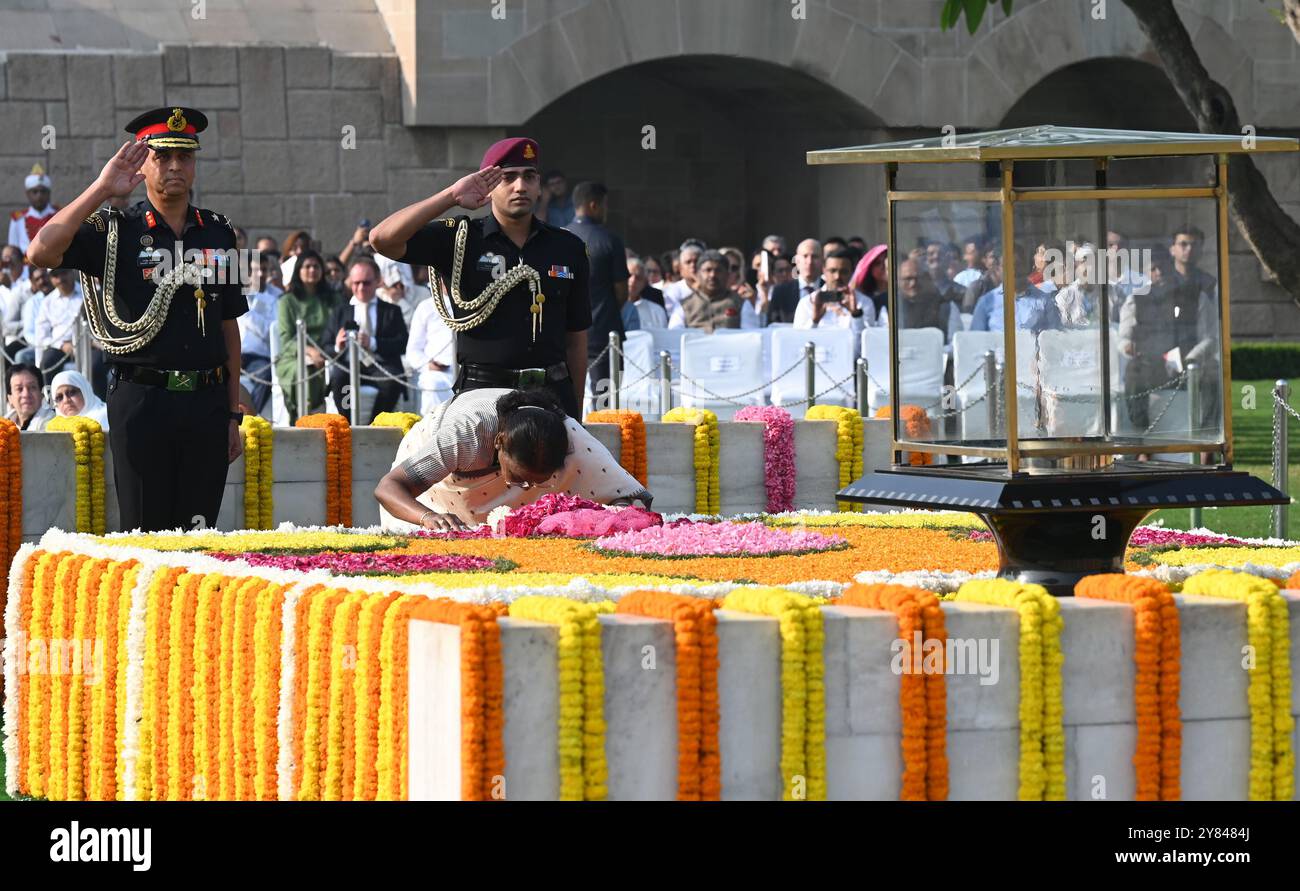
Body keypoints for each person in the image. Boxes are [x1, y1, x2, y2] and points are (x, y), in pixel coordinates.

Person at [26, 107, 247, 532]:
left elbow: (228, 325)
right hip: (142, 399)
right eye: (162, 157)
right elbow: (41, 251)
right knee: (145, 530)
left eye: (184, 157)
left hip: (205, 402)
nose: (174, 167)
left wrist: (231, 415)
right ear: (143, 163)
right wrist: (102, 188)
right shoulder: (115, 228)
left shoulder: (217, 232)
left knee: (200, 534)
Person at [369, 136, 592, 418]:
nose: (520, 186)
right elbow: (381, 239)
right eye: (508, 177)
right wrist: (450, 197)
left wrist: (575, 415)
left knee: (599, 463)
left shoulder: (568, 248)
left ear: (539, 188)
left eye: (529, 177)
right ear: (489, 187)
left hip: (550, 397)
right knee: (431, 463)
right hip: (480, 397)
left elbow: (576, 341)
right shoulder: (460, 238)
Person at [375, 387, 650, 531]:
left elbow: (628, 496)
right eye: (518, 478)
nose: (523, 490)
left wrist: (617, 517)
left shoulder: (572, 438)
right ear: (498, 444)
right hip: (440, 488)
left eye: (539, 482)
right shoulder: (466, 433)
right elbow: (388, 488)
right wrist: (427, 516)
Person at [325, 256, 409, 423]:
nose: (361, 288)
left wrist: (373, 343)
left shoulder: (392, 311)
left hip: (379, 364)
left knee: (392, 381)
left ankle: (374, 426)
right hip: (349, 364)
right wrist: (337, 346)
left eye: (366, 283)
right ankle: (348, 426)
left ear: (378, 281)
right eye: (356, 283)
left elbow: (402, 343)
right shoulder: (340, 311)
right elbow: (324, 345)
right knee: (339, 378)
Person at [564, 181, 627, 391]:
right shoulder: (610, 240)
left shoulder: (559, 237)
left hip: (565, 331)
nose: (605, 211)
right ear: (594, 205)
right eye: (605, 205)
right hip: (603, 331)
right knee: (607, 401)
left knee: (566, 397)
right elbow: (621, 291)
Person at [274, 249, 331, 422]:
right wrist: (310, 351)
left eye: (316, 266)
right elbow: (287, 339)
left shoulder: (331, 298)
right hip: (294, 355)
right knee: (303, 370)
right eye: (307, 266)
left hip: (328, 353)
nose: (312, 270)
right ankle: (302, 419)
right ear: (298, 271)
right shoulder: (287, 301)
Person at [968, 245, 1060, 336]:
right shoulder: (987, 302)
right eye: (1007, 266)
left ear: (1026, 266)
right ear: (997, 269)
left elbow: (1055, 337)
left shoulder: (1044, 300)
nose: (1014, 270)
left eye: (1018, 264)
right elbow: (975, 341)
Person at [668, 250, 758, 332]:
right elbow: (674, 336)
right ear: (698, 274)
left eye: (718, 270)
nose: (712, 275)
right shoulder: (684, 305)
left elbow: (751, 336)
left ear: (727, 274)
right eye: (708, 270)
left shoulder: (741, 304)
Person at [793, 248, 876, 332]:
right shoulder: (807, 303)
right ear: (824, 270)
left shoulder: (864, 302)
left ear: (852, 272)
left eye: (844, 272)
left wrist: (856, 314)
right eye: (832, 271)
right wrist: (814, 320)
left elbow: (866, 341)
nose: (837, 276)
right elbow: (798, 340)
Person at [238, 252, 279, 415]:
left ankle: (250, 415)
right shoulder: (235, 292)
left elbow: (270, 331)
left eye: (264, 270)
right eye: (256, 270)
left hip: (259, 356)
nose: (261, 274)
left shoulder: (276, 296)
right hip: (234, 352)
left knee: (265, 374)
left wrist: (246, 313)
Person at [404, 289, 456, 415]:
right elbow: (413, 352)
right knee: (432, 384)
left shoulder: (475, 305)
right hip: (437, 374)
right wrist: (429, 365)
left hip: (466, 372)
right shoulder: (426, 307)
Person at [887, 258, 963, 345]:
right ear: (898, 281)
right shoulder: (891, 307)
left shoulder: (946, 308)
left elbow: (956, 345)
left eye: (917, 278)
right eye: (908, 279)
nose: (913, 283)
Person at [34, 268, 84, 376]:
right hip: (59, 347)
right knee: (47, 362)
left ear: (72, 272)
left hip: (87, 344)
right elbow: (42, 336)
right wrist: (62, 345)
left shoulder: (87, 295)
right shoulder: (47, 302)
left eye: (64, 273)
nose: (60, 279)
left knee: (95, 366)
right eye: (55, 275)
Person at [766, 238, 822, 325]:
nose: (810, 262)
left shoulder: (829, 289)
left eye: (814, 257)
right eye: (805, 256)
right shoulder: (780, 291)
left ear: (823, 260)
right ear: (797, 261)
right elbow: (772, 325)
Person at [9, 164, 59, 257]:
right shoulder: (17, 218)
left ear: (49, 193)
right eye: (35, 192)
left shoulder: (59, 215)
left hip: (53, 268)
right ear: (27, 194)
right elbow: (13, 250)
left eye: (43, 191)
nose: (39, 196)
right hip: (25, 269)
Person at [4, 363, 54, 431]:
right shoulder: (4, 424)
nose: (26, 394)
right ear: (10, 398)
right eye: (19, 389)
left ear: (42, 394)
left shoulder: (52, 424)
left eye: (32, 387)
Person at [660, 239, 705, 315]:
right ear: (680, 268)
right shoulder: (671, 292)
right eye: (688, 262)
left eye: (696, 261)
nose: (693, 265)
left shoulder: (714, 288)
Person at [627, 256, 668, 330]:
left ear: (644, 282)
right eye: (629, 275)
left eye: (638, 277)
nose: (633, 281)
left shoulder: (657, 311)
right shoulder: (609, 308)